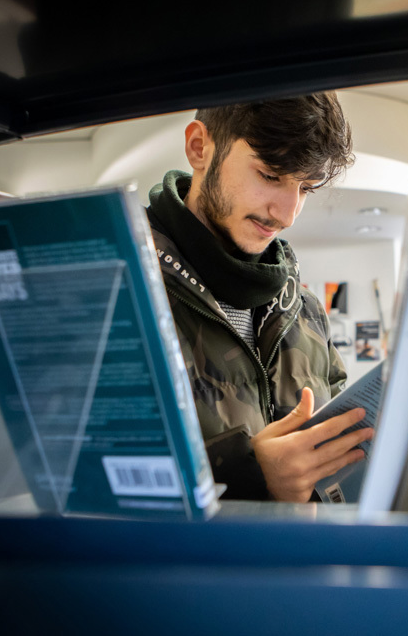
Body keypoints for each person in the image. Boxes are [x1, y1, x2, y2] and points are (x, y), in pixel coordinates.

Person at [145, 93, 371, 502]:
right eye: (270, 175)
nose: (287, 214)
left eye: (305, 188)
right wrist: (248, 477)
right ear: (199, 147)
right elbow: (75, 475)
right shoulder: (124, 289)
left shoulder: (306, 312)